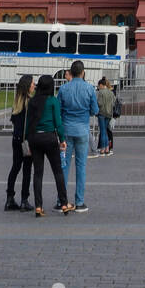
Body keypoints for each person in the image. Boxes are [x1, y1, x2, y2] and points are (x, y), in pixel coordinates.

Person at [57, 60, 99, 211]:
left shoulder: (63, 88)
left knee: (64, 165)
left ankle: (61, 200)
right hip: (82, 130)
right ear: (82, 72)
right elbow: (94, 110)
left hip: (67, 130)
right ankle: (79, 201)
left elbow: (58, 110)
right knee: (81, 166)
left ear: (70, 72)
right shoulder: (89, 88)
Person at [25, 75, 70, 216]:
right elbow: (58, 122)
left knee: (38, 173)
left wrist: (28, 141)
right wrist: (62, 139)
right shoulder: (53, 101)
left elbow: (29, 123)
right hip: (50, 138)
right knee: (58, 171)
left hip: (35, 138)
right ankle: (64, 203)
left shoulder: (32, 101)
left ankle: (38, 206)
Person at [5, 74, 34, 211]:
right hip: (26, 141)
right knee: (27, 170)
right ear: (28, 86)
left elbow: (14, 120)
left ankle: (9, 198)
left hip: (15, 139)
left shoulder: (17, 101)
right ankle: (24, 199)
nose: (34, 86)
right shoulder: (30, 102)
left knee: (15, 168)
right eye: (33, 84)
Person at [96, 76, 114, 155]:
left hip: (102, 113)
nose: (98, 87)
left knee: (102, 131)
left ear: (101, 85)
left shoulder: (100, 92)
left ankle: (102, 149)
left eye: (98, 85)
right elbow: (113, 103)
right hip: (109, 114)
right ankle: (107, 148)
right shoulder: (111, 92)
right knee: (105, 131)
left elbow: (99, 103)